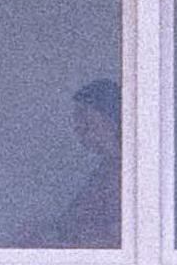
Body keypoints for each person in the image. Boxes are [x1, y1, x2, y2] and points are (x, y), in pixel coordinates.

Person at [52, 73, 124, 249]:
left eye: (86, 120)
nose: (79, 128)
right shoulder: (106, 170)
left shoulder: (126, 175)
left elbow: (119, 237)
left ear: (110, 120)